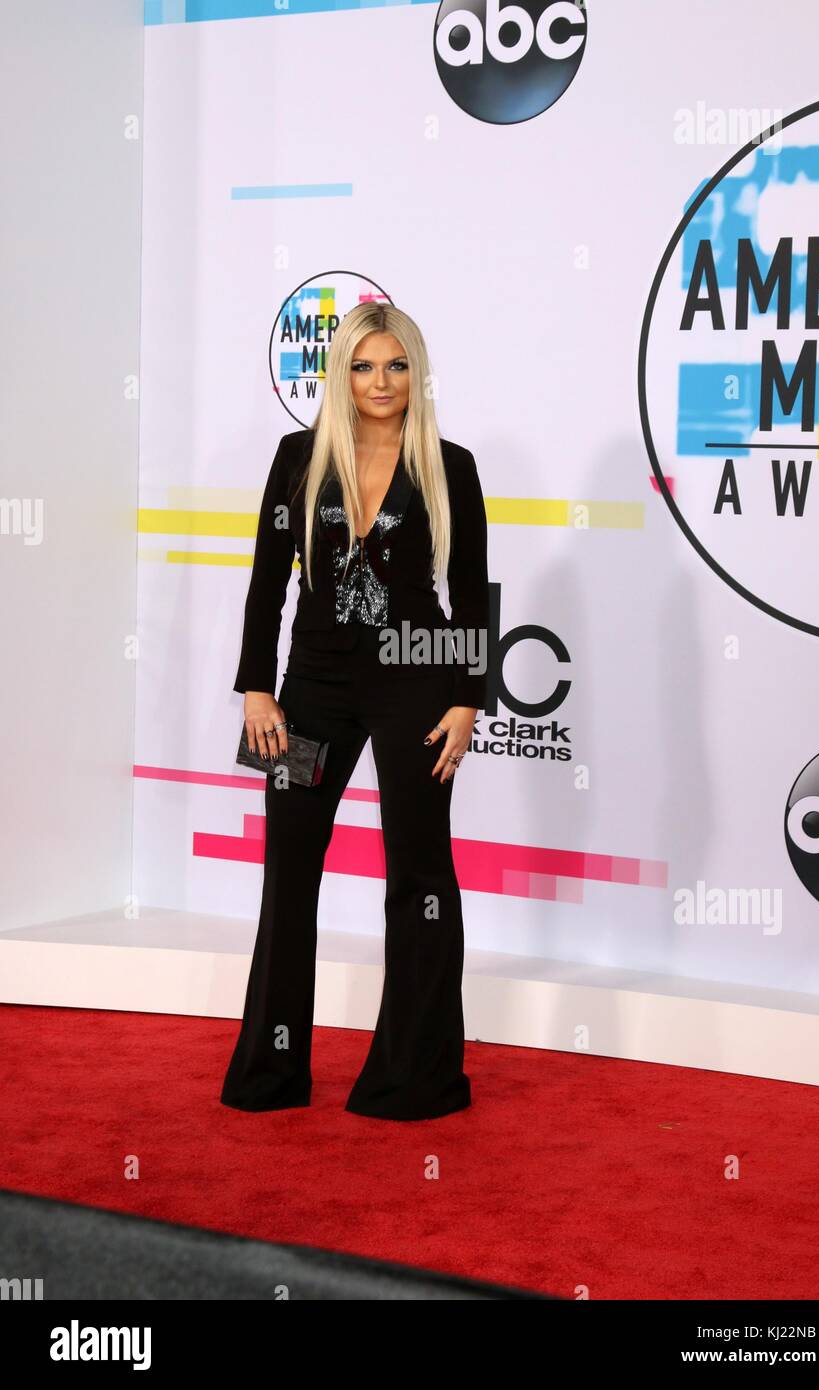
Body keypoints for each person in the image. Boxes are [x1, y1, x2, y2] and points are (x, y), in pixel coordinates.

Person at [220, 302, 489, 1120]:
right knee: (288, 871)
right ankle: (271, 1074)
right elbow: (267, 583)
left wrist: (468, 699)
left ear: (416, 374)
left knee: (420, 874)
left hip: (417, 682)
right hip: (309, 689)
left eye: (396, 366)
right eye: (365, 366)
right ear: (342, 374)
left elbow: (469, 592)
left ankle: (415, 1078)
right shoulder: (297, 457)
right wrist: (256, 687)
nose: (381, 382)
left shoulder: (450, 465)